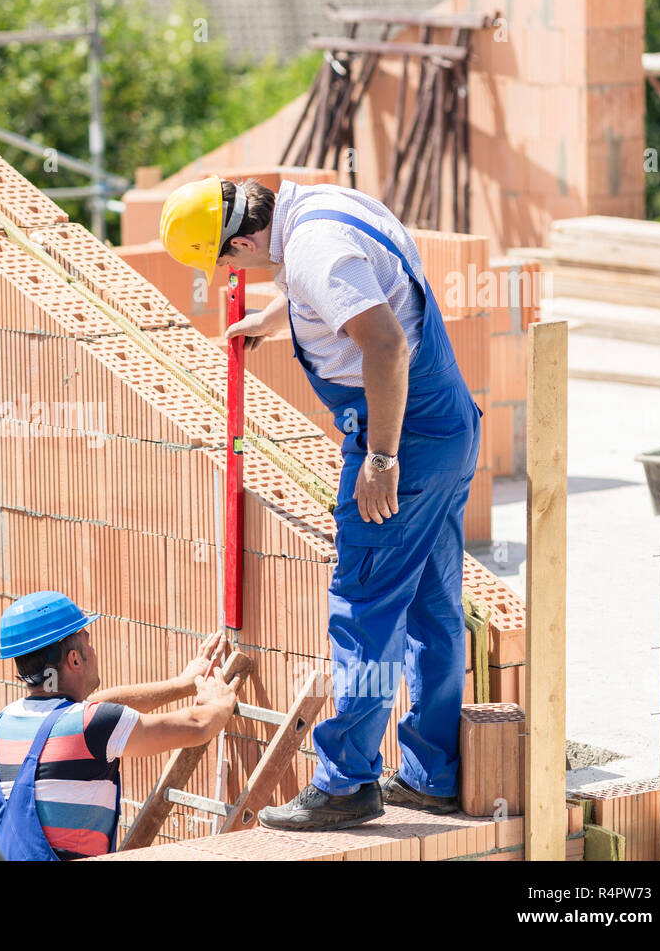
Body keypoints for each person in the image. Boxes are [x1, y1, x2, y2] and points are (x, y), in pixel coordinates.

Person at [158, 176, 482, 830]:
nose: (229, 270)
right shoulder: (317, 207)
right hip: (446, 426)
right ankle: (434, 774)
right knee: (432, 604)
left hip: (403, 439)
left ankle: (347, 781)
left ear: (245, 238)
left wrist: (382, 460)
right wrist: (272, 320)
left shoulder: (311, 250)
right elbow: (352, 286)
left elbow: (386, 344)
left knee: (365, 605)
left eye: (225, 259)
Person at [0, 590, 237, 860]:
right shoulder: (91, 724)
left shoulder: (6, 721)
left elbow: (90, 709)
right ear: (74, 660)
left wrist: (179, 685)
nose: (93, 652)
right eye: (88, 643)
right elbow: (198, 725)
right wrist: (221, 702)